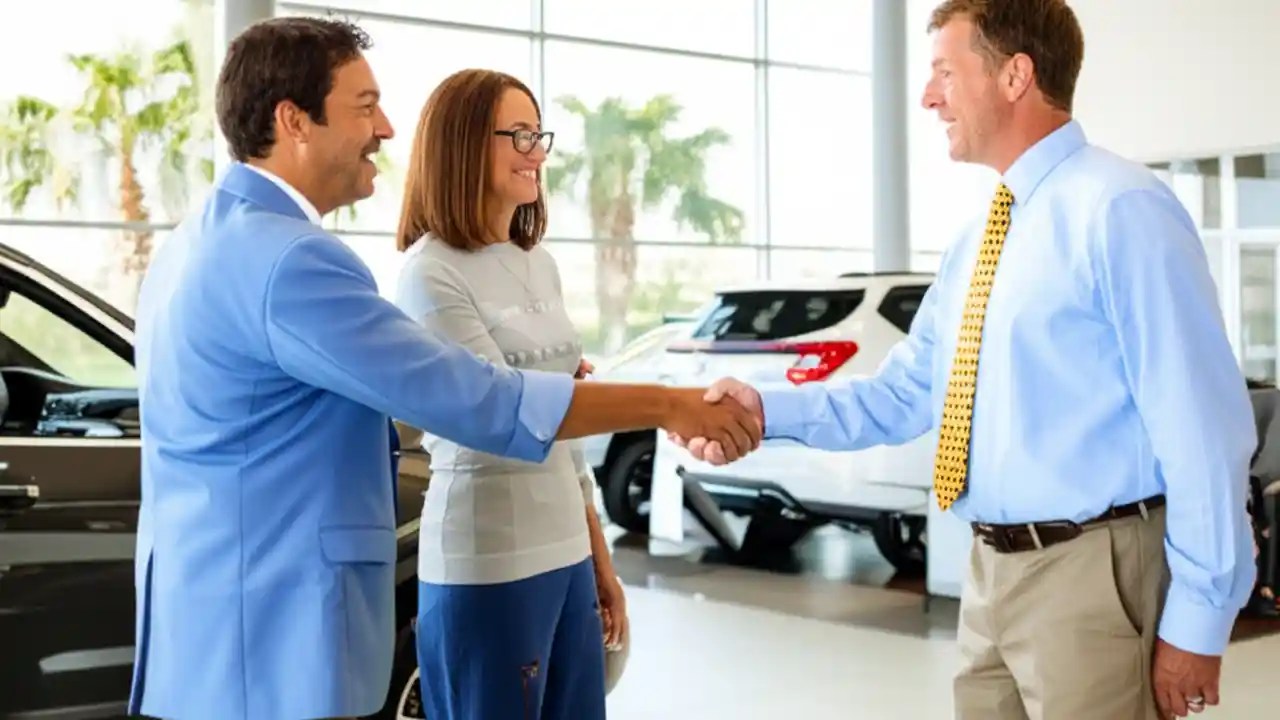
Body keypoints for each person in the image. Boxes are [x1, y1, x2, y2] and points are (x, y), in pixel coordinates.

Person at [129, 17, 760, 720]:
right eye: (364, 107)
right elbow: (482, 403)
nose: (387, 128)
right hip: (274, 635)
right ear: (292, 120)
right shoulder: (295, 260)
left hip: (206, 628)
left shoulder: (195, 241)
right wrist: (670, 405)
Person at [674, 1, 1256, 719]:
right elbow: (906, 392)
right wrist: (766, 408)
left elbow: (1200, 426)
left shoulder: (1121, 208)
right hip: (986, 572)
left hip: (1093, 574)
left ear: (1015, 75)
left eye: (945, 72)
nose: (927, 96)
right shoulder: (980, 233)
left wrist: (1200, 617)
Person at [391, 67, 620, 720]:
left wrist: (598, 556)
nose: (537, 151)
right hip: (487, 562)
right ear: (461, 144)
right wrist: (578, 396)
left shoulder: (537, 260)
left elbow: (560, 435)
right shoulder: (430, 272)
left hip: (565, 555)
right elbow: (508, 419)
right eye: (517, 134)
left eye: (538, 133)